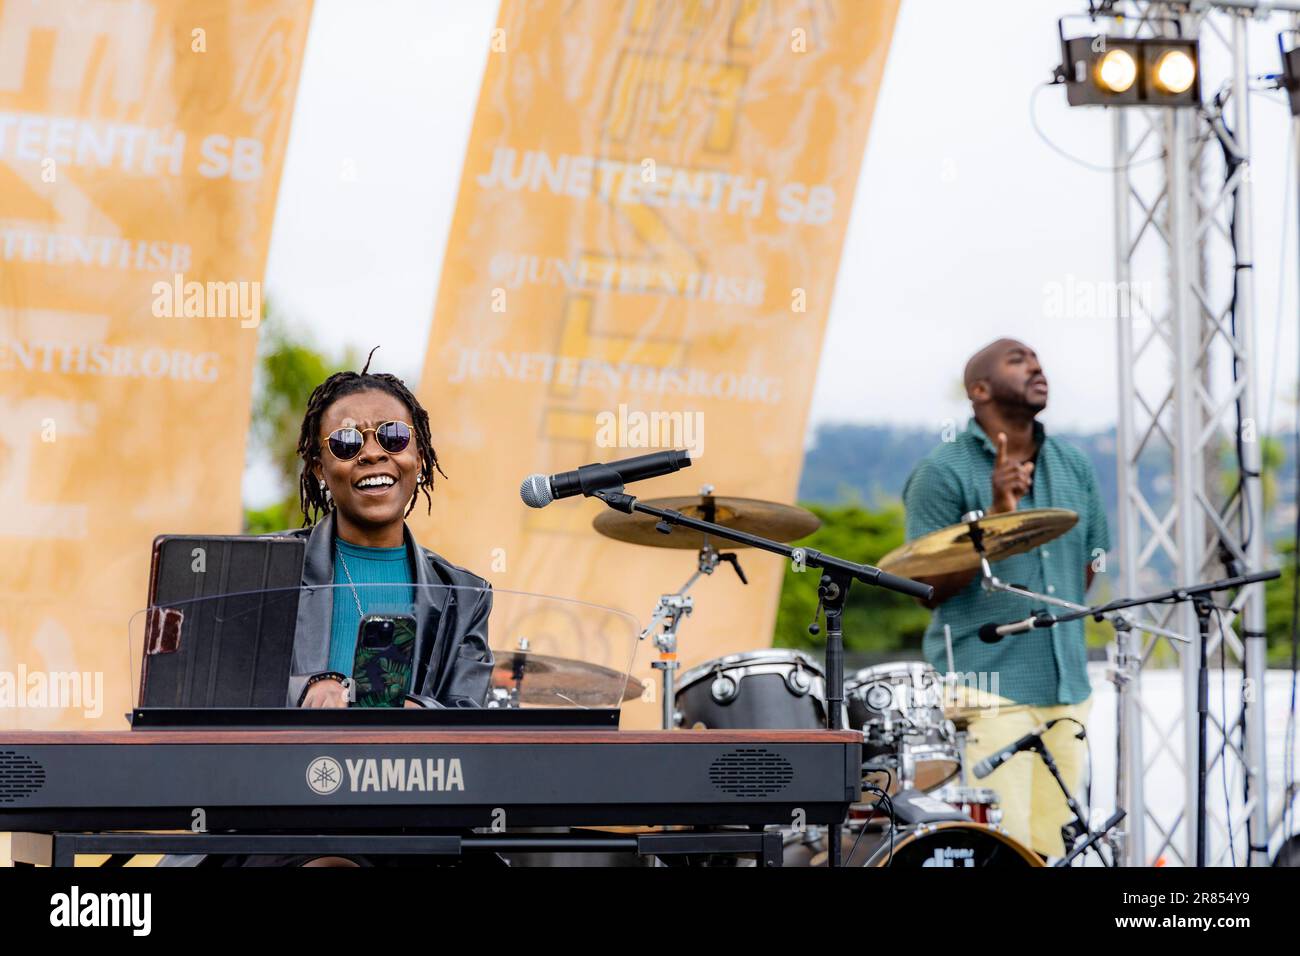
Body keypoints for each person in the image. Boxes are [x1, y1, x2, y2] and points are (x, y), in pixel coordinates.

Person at [162, 350, 494, 867]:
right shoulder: (260, 570)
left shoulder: (466, 594)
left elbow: (471, 724)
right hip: (272, 819)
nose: (371, 454)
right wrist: (308, 689)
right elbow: (208, 693)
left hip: (407, 825)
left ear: (419, 454)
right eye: (345, 442)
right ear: (319, 467)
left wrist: (415, 716)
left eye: (392, 436)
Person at [901, 338, 1109, 860]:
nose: (1037, 366)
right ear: (980, 389)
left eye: (1038, 359)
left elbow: (1093, 560)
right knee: (1003, 847)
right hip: (985, 685)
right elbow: (926, 588)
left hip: (1068, 683)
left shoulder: (1074, 464)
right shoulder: (943, 471)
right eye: (1018, 360)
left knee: (1055, 846)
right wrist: (995, 517)